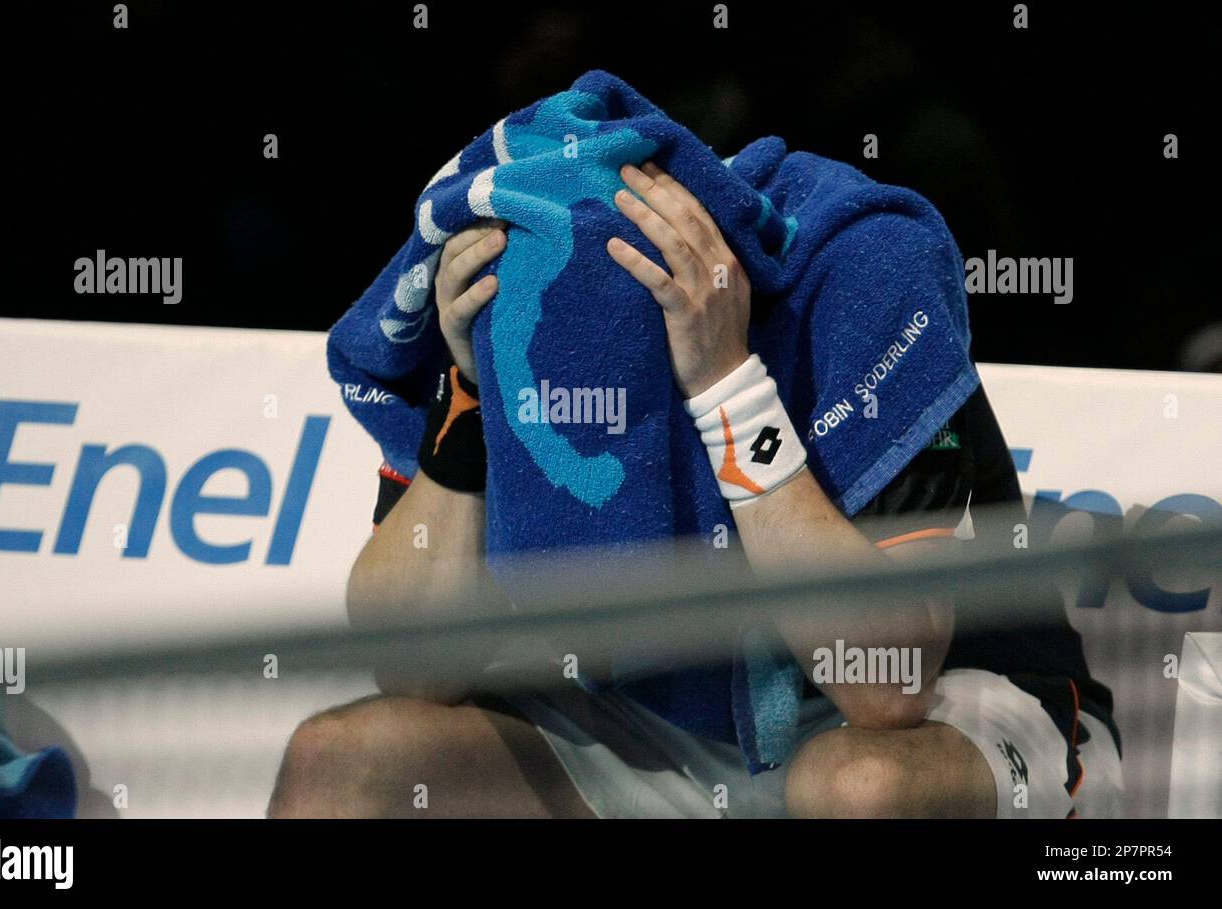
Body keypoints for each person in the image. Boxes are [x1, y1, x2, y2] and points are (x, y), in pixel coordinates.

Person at [269, 161, 1122, 819]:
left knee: (857, 789)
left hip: (941, 721)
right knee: (339, 763)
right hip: (657, 723)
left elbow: (885, 684)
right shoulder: (521, 324)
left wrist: (726, 384)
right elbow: (412, 668)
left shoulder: (866, 293)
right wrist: (475, 393)